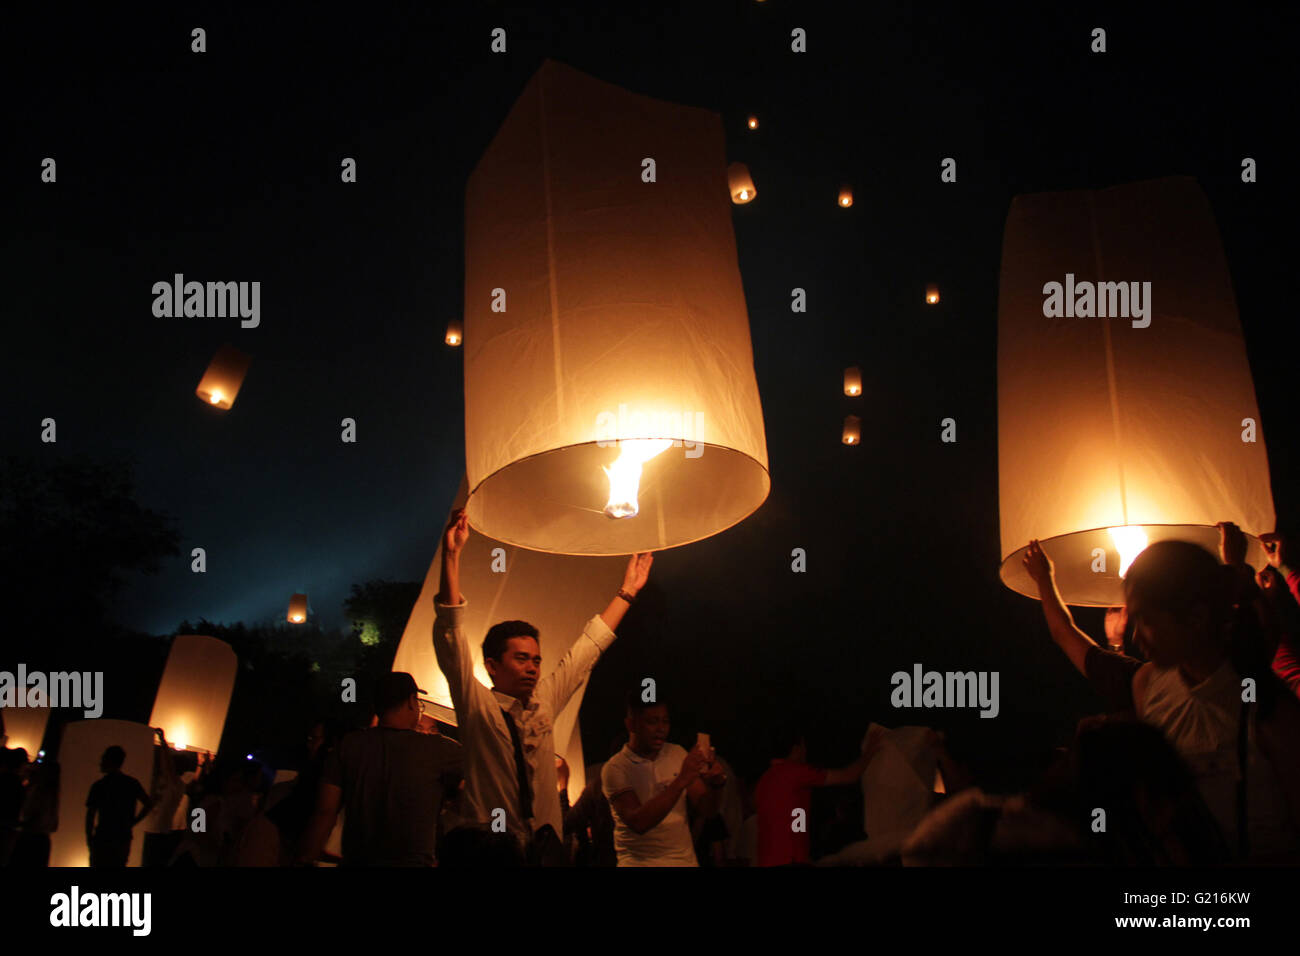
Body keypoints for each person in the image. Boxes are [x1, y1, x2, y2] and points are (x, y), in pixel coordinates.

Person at [1024, 531, 1300, 860]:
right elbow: (1066, 637)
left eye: (1146, 619)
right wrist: (1044, 579)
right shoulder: (1147, 684)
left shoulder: (1269, 709)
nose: (1137, 635)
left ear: (1196, 617)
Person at [432, 508, 653, 863]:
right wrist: (452, 556)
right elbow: (450, 635)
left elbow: (587, 649)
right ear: (491, 666)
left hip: (544, 848)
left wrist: (627, 592)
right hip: (491, 851)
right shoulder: (478, 706)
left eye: (536, 659)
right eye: (520, 659)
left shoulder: (544, 701)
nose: (533, 667)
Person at [297, 673, 463, 866]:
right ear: (412, 701)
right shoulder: (441, 749)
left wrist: (305, 856)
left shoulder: (348, 746)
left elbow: (325, 811)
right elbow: (478, 787)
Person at [601, 692, 726, 867]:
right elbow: (639, 822)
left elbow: (707, 810)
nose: (661, 728)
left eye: (665, 721)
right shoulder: (616, 768)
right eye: (652, 722)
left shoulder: (677, 753)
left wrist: (716, 784)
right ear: (631, 725)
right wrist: (681, 779)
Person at [755, 725, 885, 866]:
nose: (806, 751)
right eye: (803, 746)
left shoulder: (764, 780)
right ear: (795, 749)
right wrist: (869, 752)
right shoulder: (797, 772)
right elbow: (849, 775)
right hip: (790, 860)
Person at [85, 745, 153, 867]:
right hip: (122, 838)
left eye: (104, 758)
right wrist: (133, 822)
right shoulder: (131, 783)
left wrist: (90, 839)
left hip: (103, 838)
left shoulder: (99, 786)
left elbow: (90, 816)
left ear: (110, 761)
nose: (100, 762)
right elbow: (149, 804)